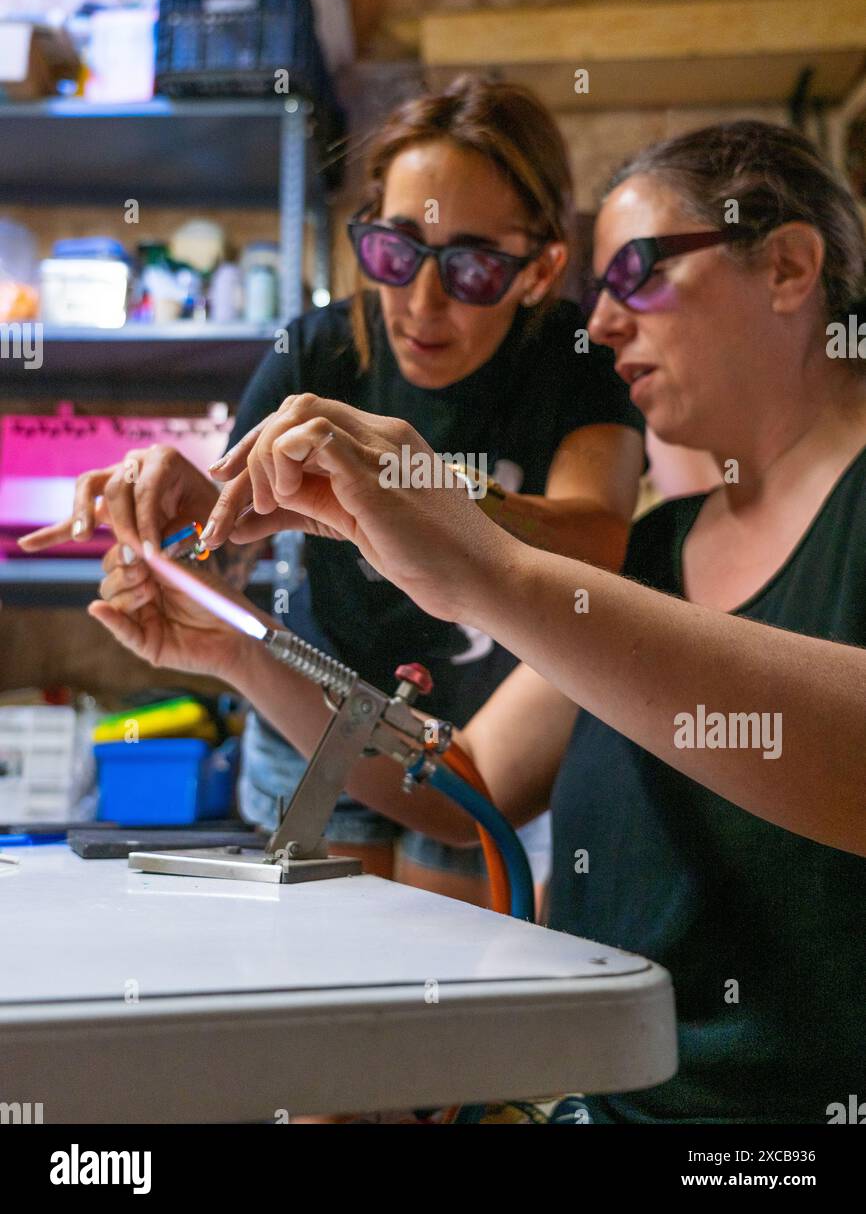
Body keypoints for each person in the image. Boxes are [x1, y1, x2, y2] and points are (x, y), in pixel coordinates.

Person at [89, 117, 866, 1123]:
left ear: (789, 266)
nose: (606, 322)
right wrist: (234, 643)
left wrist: (486, 567)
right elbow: (467, 788)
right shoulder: (659, 550)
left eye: (634, 271)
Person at [21, 76, 643, 907]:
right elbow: (225, 535)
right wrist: (182, 535)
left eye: (472, 269)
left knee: (451, 978)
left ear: (541, 268)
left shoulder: (576, 365)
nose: (420, 305)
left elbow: (601, 540)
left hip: (492, 727)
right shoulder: (318, 351)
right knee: (329, 972)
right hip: (319, 709)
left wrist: (424, 484)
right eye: (394, 253)